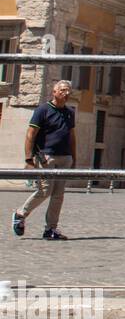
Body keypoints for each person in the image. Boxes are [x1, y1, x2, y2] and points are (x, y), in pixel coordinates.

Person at [13, 79, 76, 240]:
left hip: (65, 157)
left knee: (58, 195)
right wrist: (28, 158)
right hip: (47, 156)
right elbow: (30, 134)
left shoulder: (70, 112)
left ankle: (51, 229)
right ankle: (21, 213)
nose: (66, 93)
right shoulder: (43, 110)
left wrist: (73, 156)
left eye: (68, 90)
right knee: (44, 191)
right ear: (54, 92)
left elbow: (72, 135)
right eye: (62, 90)